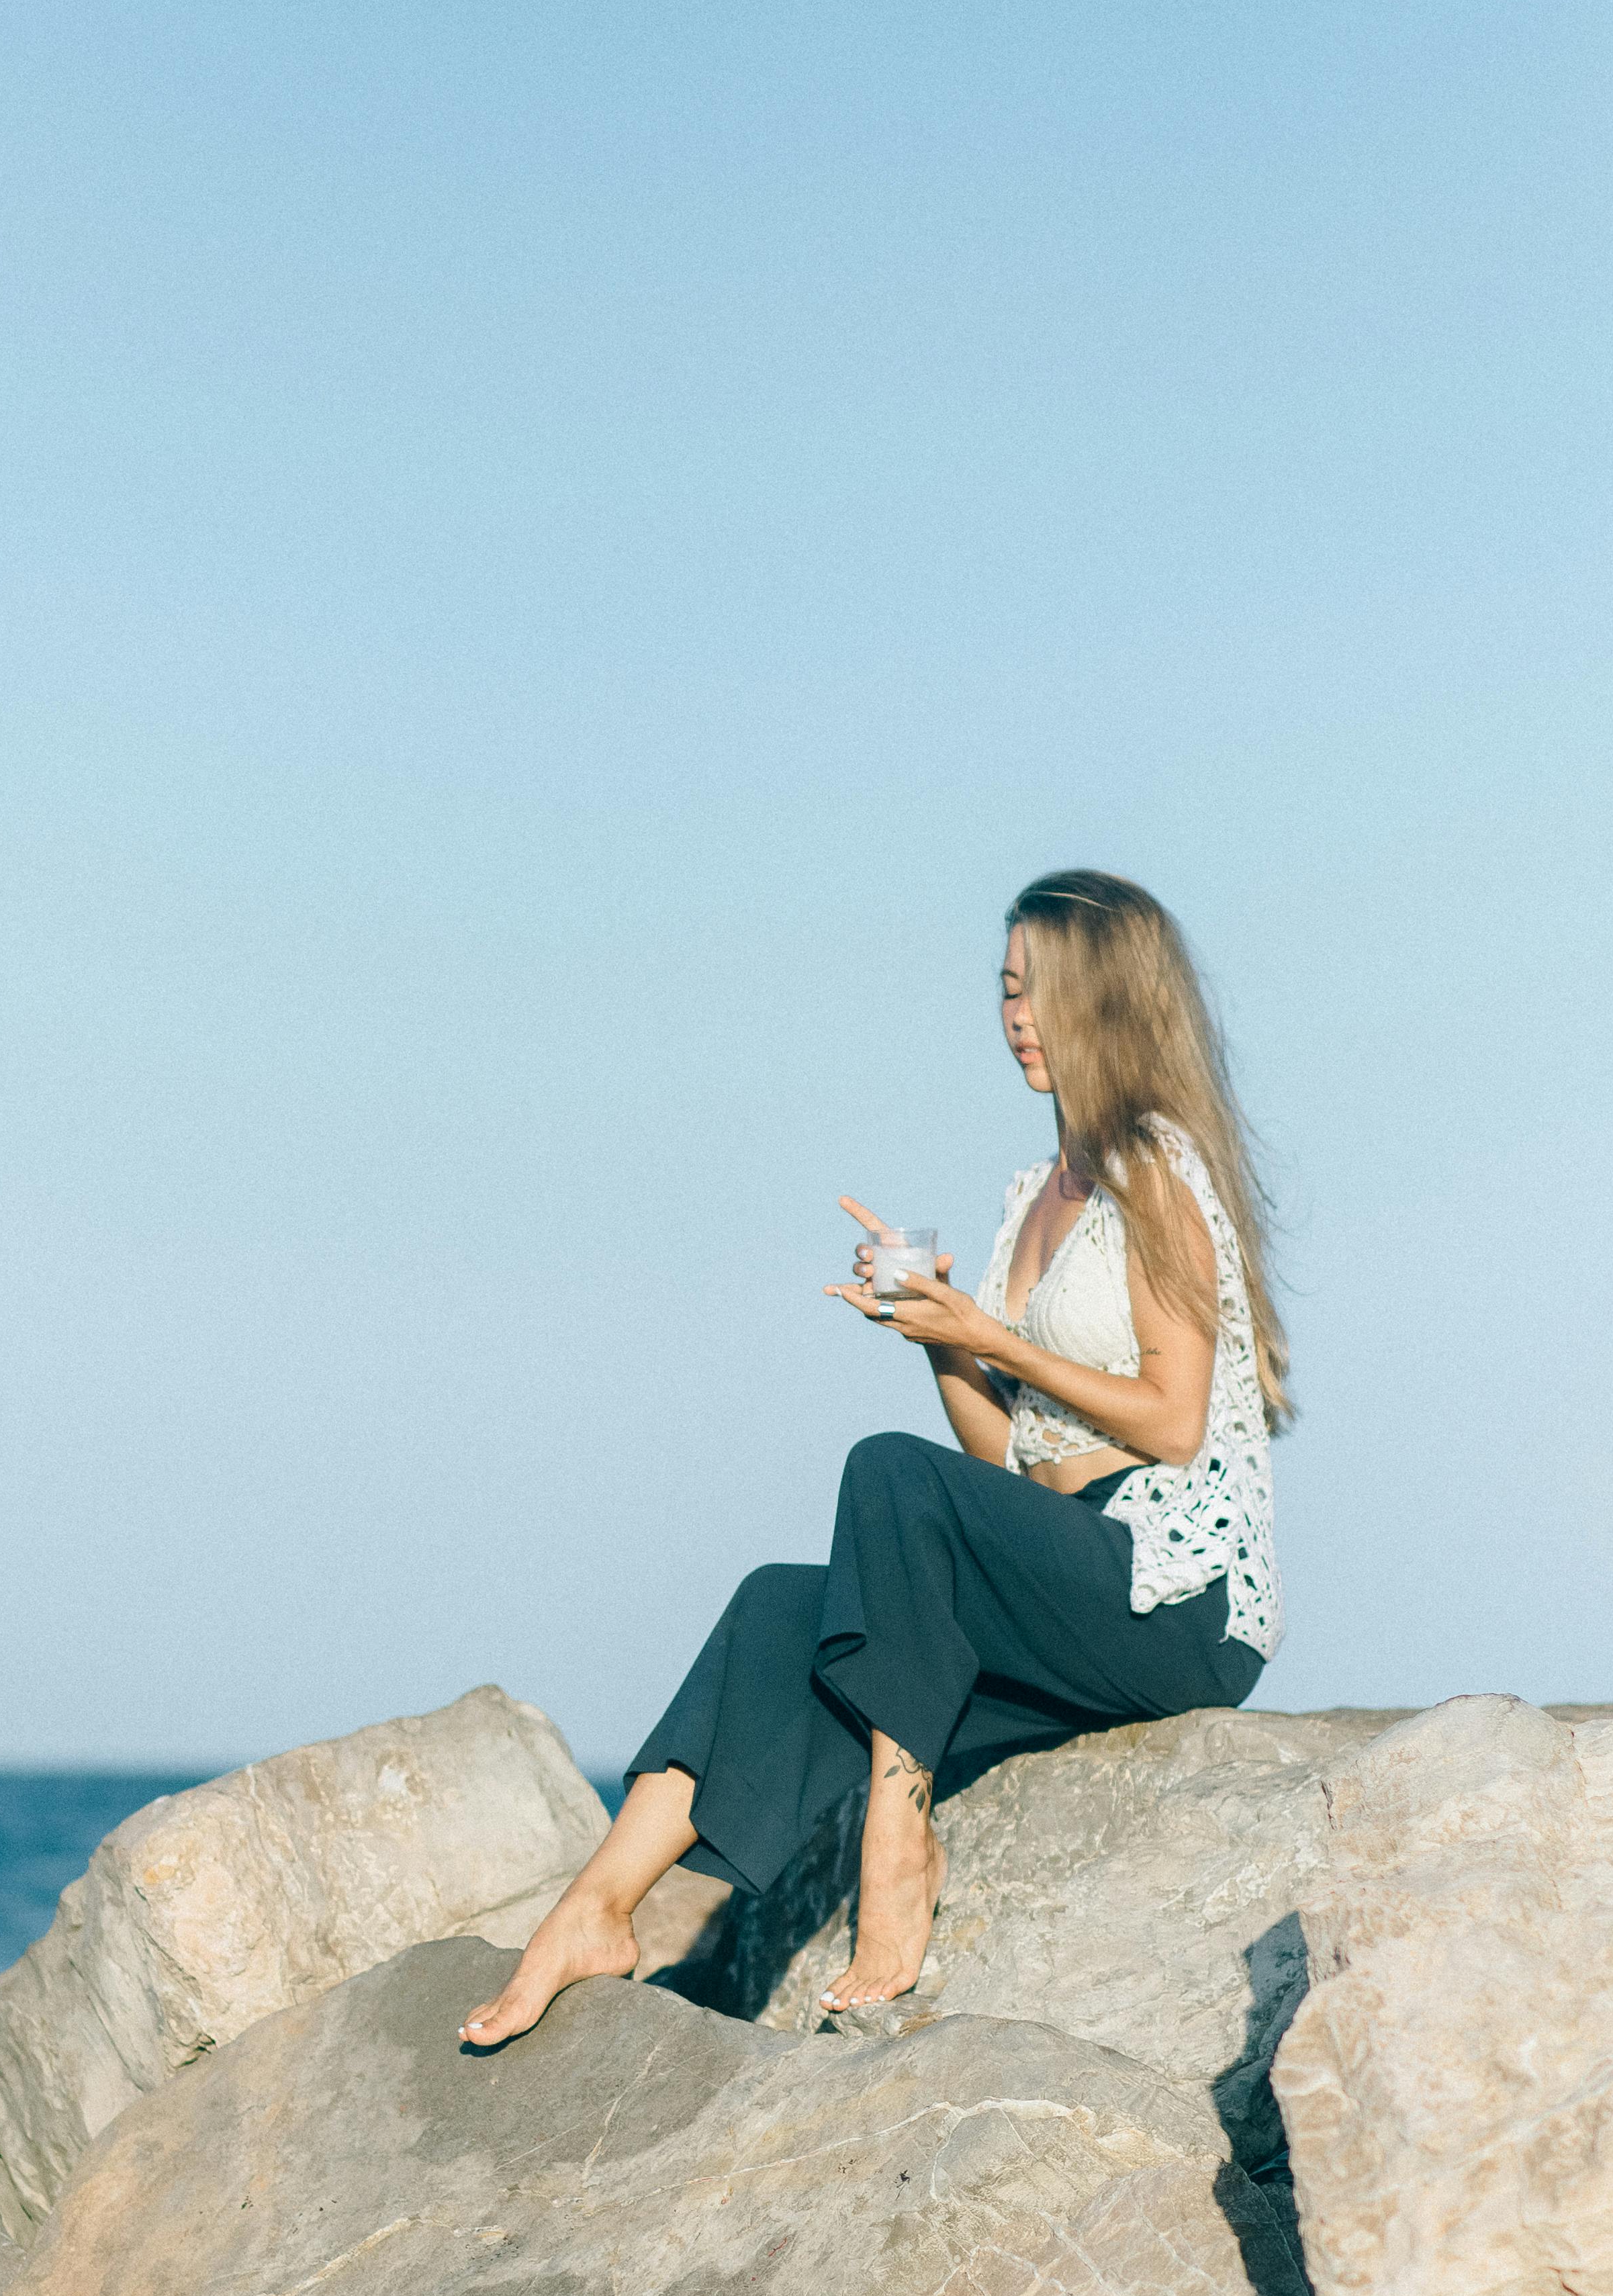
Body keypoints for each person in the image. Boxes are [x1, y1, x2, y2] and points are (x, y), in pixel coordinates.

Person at [461, 867, 1290, 2048]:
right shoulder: (1036, 1197)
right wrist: (940, 1340)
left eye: (1038, 992)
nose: (1015, 1018)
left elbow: (1172, 1422)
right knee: (774, 1611)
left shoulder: (1154, 1168)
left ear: (1105, 1002)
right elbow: (1007, 1458)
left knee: (886, 1476)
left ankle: (897, 1849)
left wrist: (991, 1335)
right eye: (1004, 991)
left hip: (1172, 1597)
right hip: (1061, 1570)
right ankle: (591, 1911)